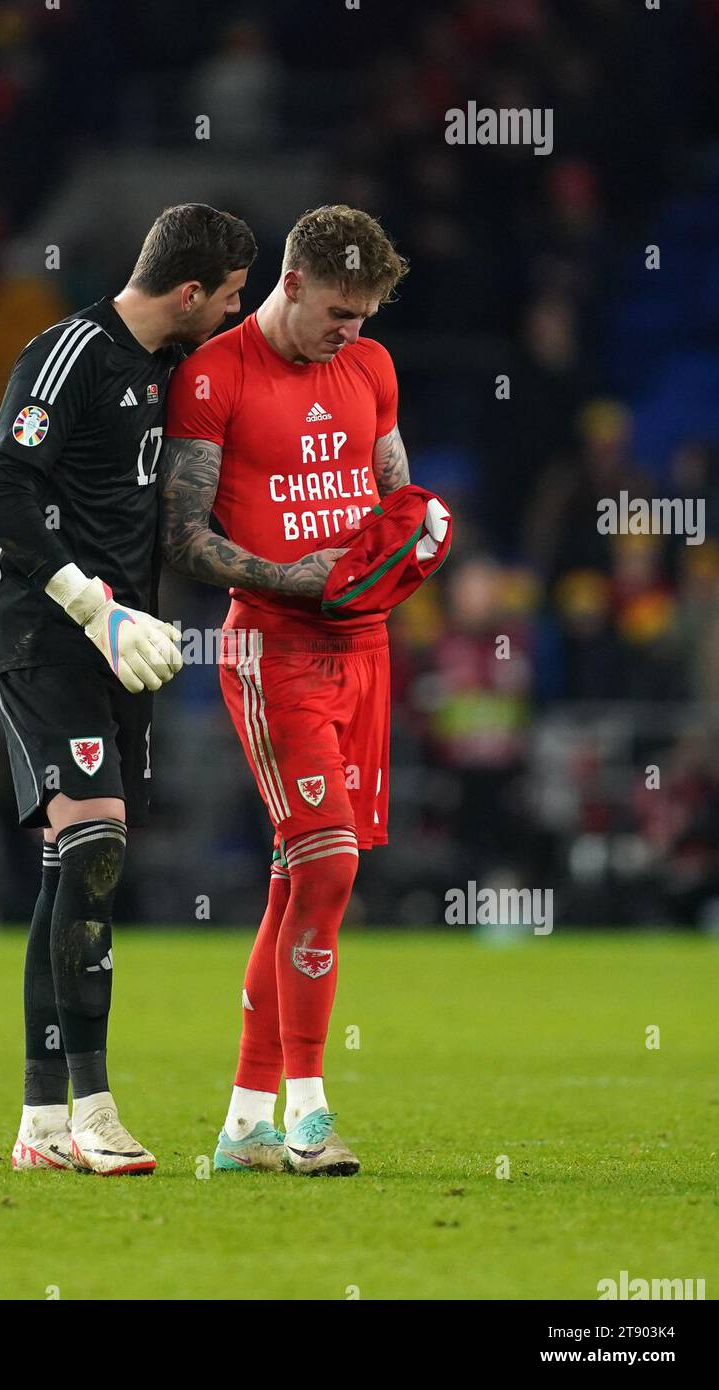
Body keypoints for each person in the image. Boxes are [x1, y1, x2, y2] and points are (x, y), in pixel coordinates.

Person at [0, 204, 256, 1175]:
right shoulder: (67, 351)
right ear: (188, 292)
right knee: (95, 845)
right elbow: (0, 489)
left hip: (124, 653)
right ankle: (94, 1108)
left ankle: (39, 1124)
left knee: (72, 871)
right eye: (226, 299)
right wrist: (93, 607)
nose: (231, 316)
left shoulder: (167, 372)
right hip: (46, 637)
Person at [161, 204, 409, 1176]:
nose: (354, 332)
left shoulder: (373, 369)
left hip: (367, 650)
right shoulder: (213, 374)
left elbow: (393, 490)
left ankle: (242, 1124)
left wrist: (418, 536)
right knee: (331, 867)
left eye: (368, 315)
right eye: (342, 311)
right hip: (273, 650)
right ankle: (310, 1112)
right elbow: (184, 537)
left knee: (303, 878)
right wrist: (289, 576)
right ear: (293, 283)